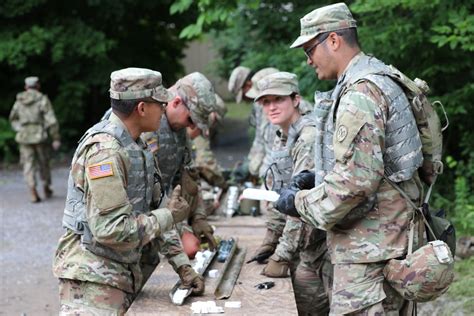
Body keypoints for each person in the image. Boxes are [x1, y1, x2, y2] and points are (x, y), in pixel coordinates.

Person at [276, 2, 424, 314]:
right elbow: (378, 167)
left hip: (370, 257)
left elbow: (356, 182)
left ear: (333, 40)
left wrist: (299, 203)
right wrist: (320, 179)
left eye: (309, 49)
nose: (307, 60)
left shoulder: (361, 91)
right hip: (385, 246)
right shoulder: (379, 77)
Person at [53, 68, 204, 315]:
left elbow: (156, 210)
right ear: (142, 108)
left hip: (118, 274)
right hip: (92, 282)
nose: (165, 108)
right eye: (160, 103)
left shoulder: (138, 145)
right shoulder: (106, 152)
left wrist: (183, 268)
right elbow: (111, 229)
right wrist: (170, 216)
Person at [252, 72, 331, 315]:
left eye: (279, 100)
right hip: (308, 245)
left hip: (324, 245)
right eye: (266, 102)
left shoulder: (306, 138)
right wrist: (271, 237)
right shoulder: (284, 135)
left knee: (313, 305)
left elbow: (300, 205)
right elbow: (280, 196)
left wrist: (282, 254)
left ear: (296, 99)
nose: (272, 107)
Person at [141, 72, 219, 257]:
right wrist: (181, 230)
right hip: (139, 219)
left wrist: (198, 217)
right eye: (191, 120)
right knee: (189, 248)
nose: (192, 127)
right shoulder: (146, 126)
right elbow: (147, 189)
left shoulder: (179, 130)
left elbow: (188, 179)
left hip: (161, 214)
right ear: (176, 102)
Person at [9, 76, 61, 202]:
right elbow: (51, 120)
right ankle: (46, 186)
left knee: (28, 164)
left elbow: (13, 118)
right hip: (40, 136)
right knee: (44, 162)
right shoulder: (42, 99)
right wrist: (55, 137)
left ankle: (32, 189)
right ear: (38, 86)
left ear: (26, 87)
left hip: (24, 136)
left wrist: (20, 128)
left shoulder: (19, 101)